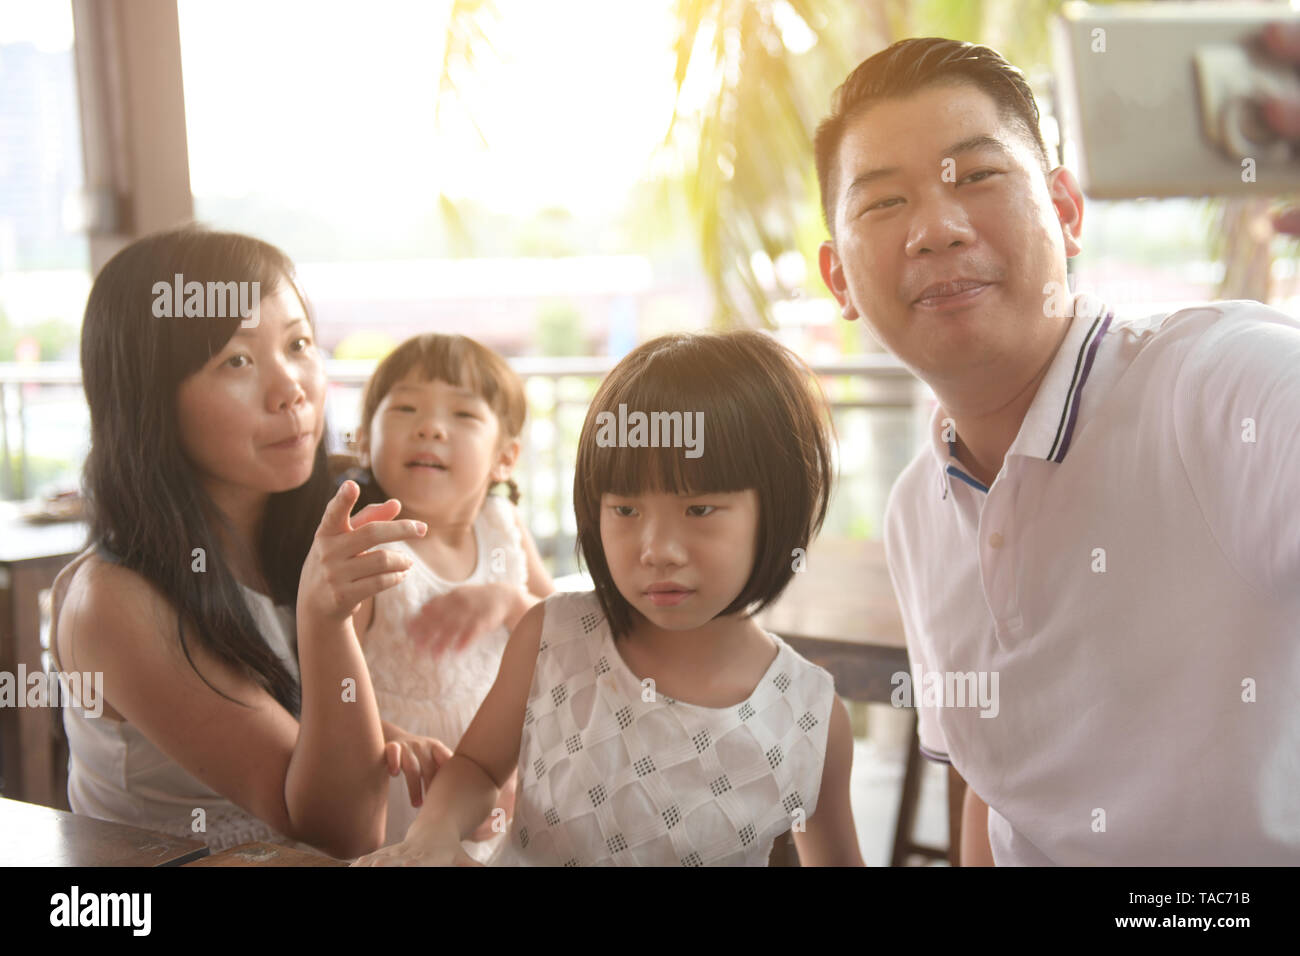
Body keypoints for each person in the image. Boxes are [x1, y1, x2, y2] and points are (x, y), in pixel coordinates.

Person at [816, 38, 1300, 866]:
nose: (936, 228)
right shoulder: (915, 509)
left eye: (976, 175)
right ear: (840, 283)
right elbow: (995, 788)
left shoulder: (1222, 384)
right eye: (882, 203)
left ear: (1067, 210)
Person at [354, 330, 864, 866]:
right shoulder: (551, 636)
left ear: (777, 510)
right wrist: (433, 834)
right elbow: (478, 768)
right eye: (625, 510)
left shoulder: (810, 716)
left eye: (698, 510)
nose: (657, 550)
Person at [52, 226, 442, 857]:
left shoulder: (317, 528)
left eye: (299, 344)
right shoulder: (114, 602)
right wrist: (324, 617)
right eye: (236, 360)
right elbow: (336, 833)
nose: (290, 388)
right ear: (151, 397)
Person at [344, 333, 554, 854]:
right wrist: (391, 736)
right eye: (407, 407)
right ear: (365, 442)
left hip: (501, 784)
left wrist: (507, 602)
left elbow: (568, 631)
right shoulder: (367, 547)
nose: (431, 427)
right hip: (407, 789)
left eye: (463, 416)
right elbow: (326, 695)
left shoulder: (503, 525)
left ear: (505, 458)